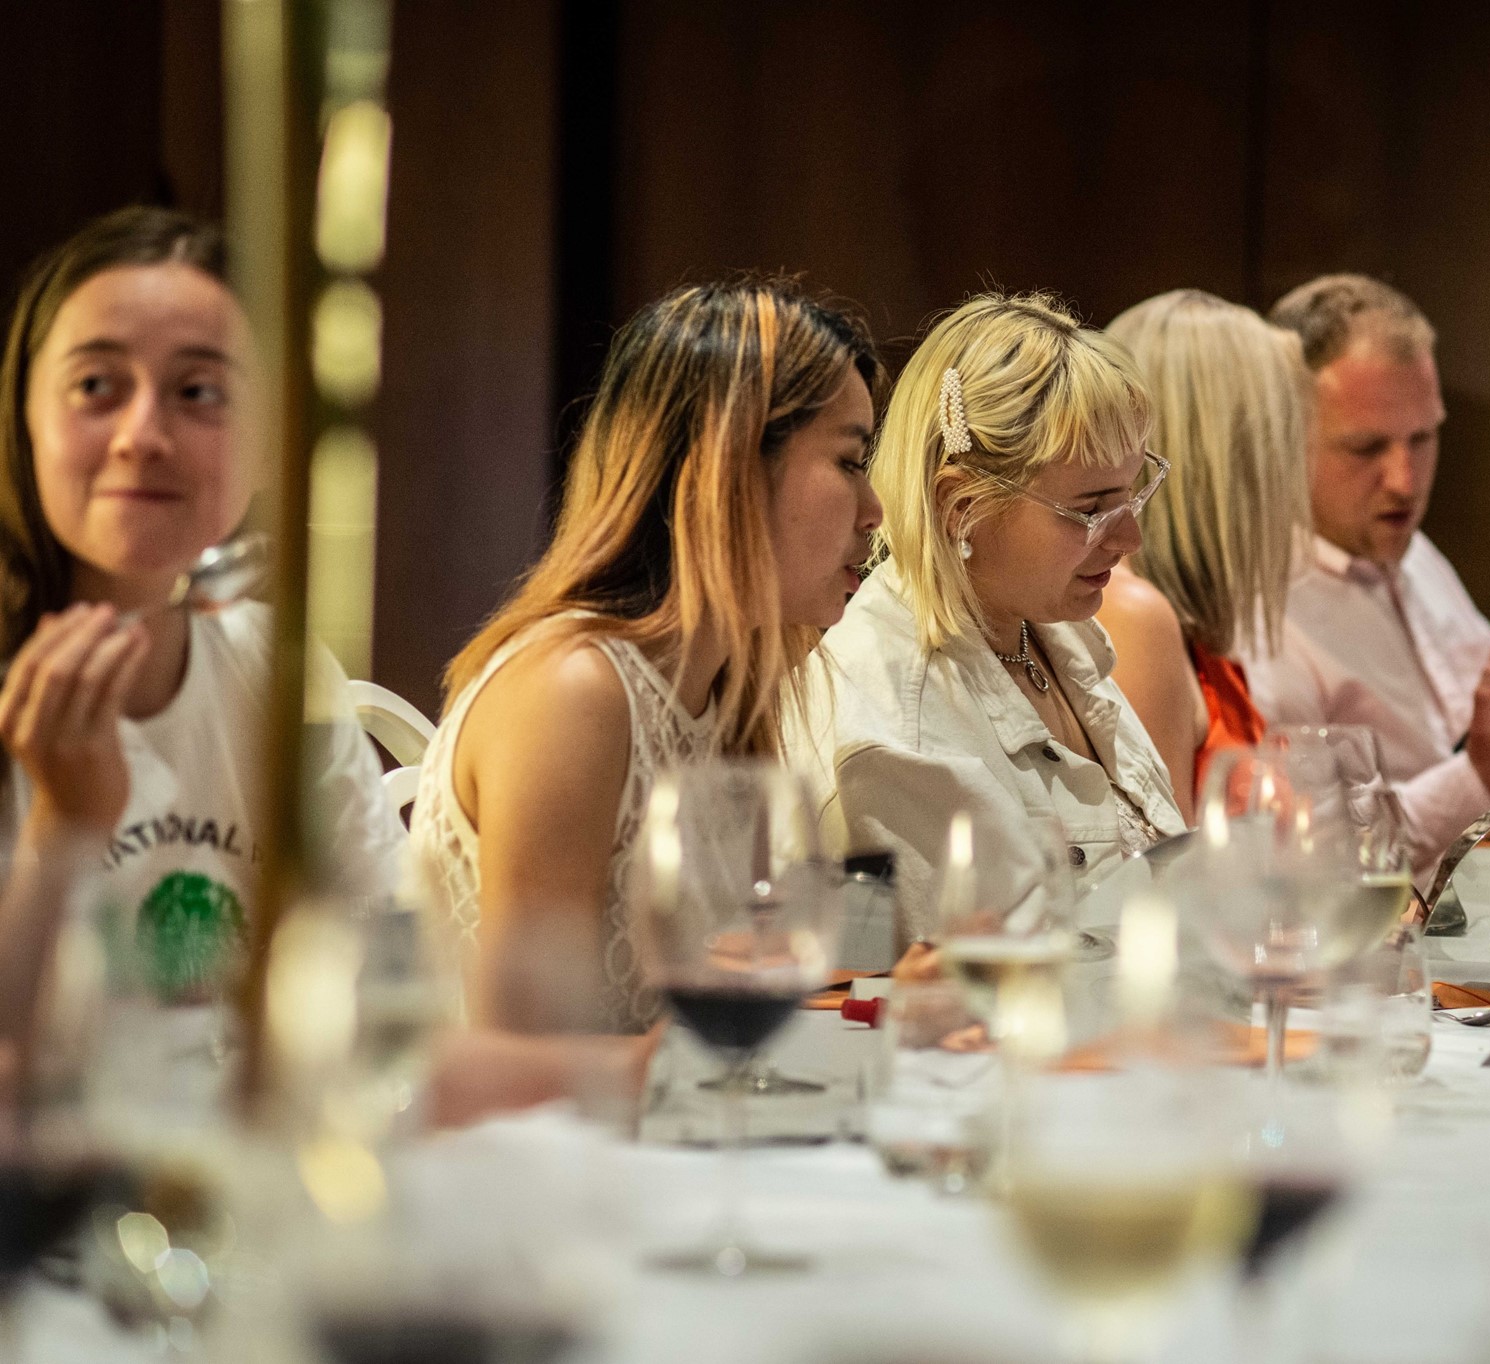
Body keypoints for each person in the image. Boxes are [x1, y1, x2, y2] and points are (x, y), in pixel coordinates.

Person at [411, 277, 884, 1033]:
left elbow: (715, 996)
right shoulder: (576, 692)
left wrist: (878, 992)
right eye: (851, 462)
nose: (875, 510)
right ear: (731, 463)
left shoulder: (725, 690)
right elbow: (526, 1063)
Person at [0, 206, 402, 1049]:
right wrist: (64, 831)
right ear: (24, 420)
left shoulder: (280, 670)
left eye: (199, 392)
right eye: (96, 387)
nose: (142, 437)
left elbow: (387, 981)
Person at [805, 292, 1186, 941]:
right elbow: (985, 995)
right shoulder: (901, 724)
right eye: (1093, 509)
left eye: (1134, 495)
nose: (1129, 542)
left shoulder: (1045, 629)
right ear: (961, 507)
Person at [1241, 273, 1490, 871]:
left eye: (1423, 438)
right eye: (1366, 447)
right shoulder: (1256, 606)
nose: (1406, 480)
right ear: (1280, 436)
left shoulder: (1418, 554)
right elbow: (1306, 859)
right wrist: (1483, 778)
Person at [1095, 289, 1307, 823]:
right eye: (1284, 446)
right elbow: (1161, 886)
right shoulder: (1132, 619)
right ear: (1234, 462)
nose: (1296, 478)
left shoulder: (1186, 629)